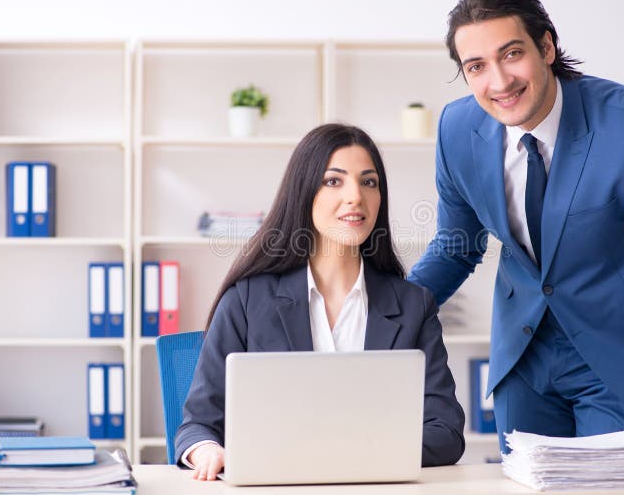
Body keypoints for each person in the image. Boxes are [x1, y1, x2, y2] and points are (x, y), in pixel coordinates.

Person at [408, 0, 624, 467]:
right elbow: (455, 247)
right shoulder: (457, 129)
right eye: (476, 67)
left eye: (512, 54)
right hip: (523, 359)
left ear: (547, 47)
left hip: (617, 355)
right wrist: (385, 317)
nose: (500, 80)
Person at [176, 123, 465, 480]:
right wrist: (207, 449)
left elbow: (446, 433)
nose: (355, 196)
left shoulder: (413, 306)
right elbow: (198, 425)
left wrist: (346, 453)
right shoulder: (248, 301)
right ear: (304, 191)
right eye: (334, 181)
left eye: (368, 182)